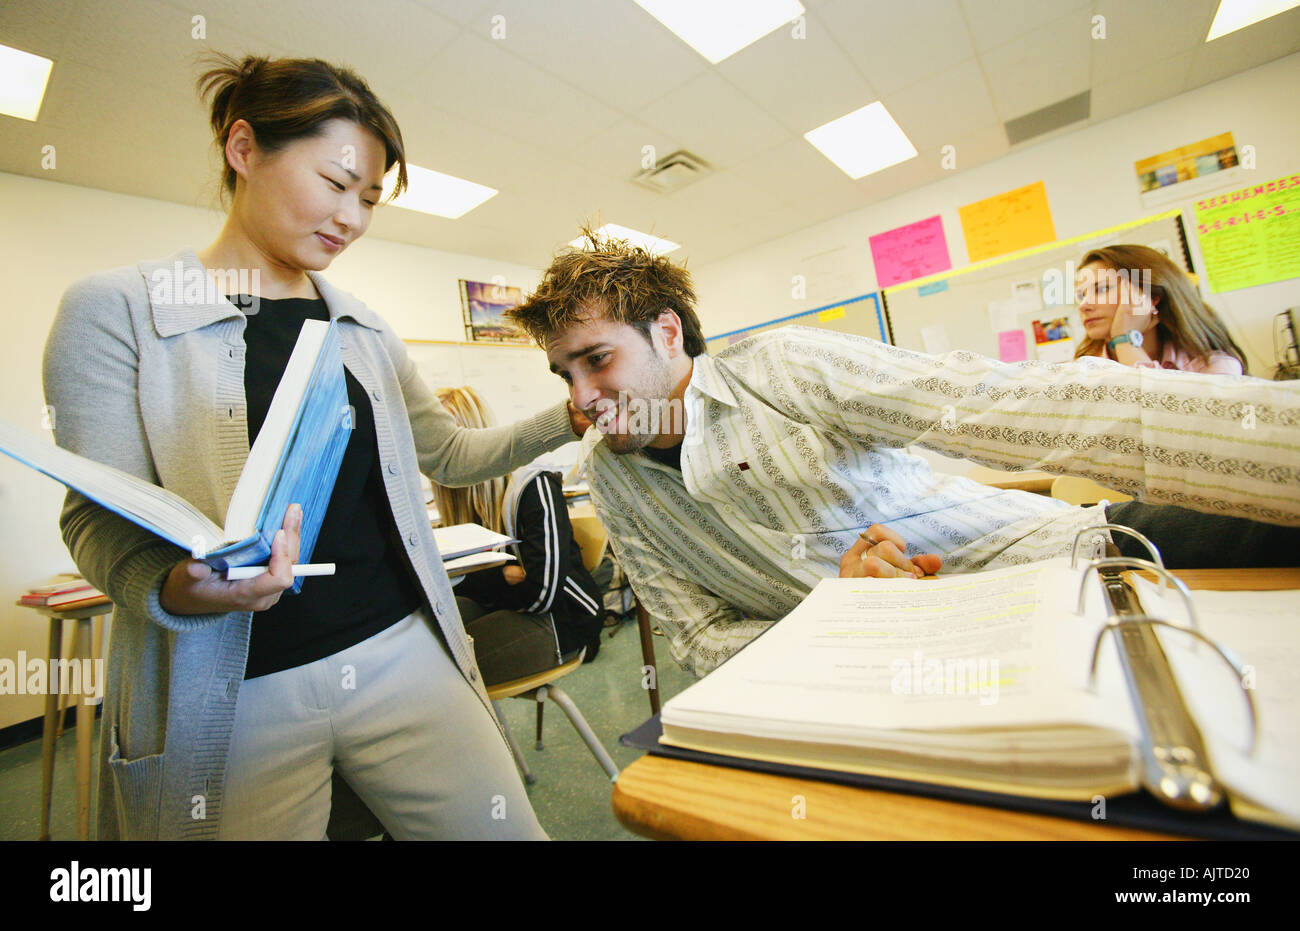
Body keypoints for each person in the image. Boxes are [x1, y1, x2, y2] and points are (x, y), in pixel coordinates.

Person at [42, 55, 580, 840]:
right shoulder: (116, 310)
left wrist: (572, 418)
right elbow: (95, 522)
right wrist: (178, 585)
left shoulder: (362, 326)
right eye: (335, 184)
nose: (353, 219)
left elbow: (453, 454)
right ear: (243, 149)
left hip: (401, 652)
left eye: (367, 200)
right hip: (234, 690)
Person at [506, 229, 1300, 677]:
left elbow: (1024, 407)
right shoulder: (614, 485)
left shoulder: (780, 370)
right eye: (564, 372)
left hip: (1053, 561)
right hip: (886, 677)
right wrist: (843, 621)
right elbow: (697, 638)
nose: (579, 398)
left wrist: (1276, 446)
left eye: (597, 359)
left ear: (668, 333)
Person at [432, 387, 605, 685]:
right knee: (431, 633)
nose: (439, 453)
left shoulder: (532, 485)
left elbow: (541, 594)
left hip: (565, 618)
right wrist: (501, 575)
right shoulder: (455, 500)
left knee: (443, 670)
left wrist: (484, 578)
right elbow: (453, 586)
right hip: (507, 606)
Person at [1074, 244, 1248, 375]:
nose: (1084, 305)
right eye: (1081, 295)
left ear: (1152, 297)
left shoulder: (1214, 367)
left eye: (1102, 289)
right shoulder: (1079, 373)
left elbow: (1159, 415)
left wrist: (1125, 339)